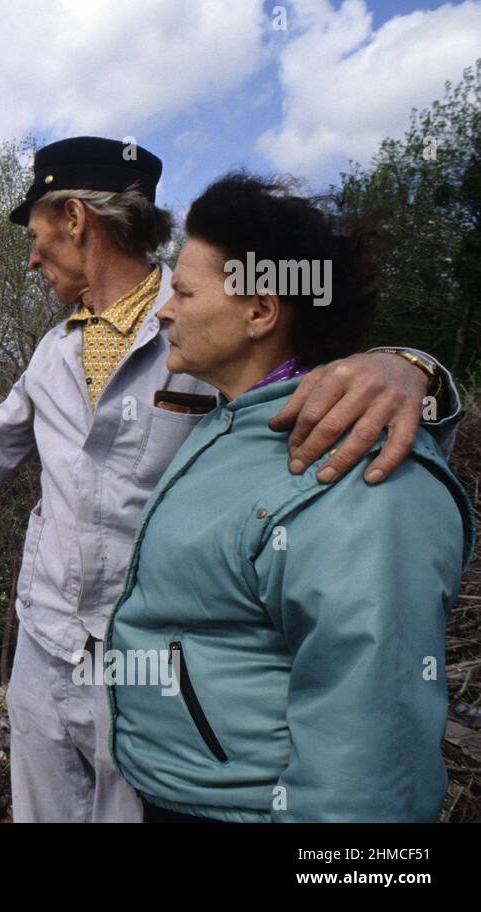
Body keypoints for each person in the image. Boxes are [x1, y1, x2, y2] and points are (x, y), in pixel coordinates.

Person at [0, 137, 462, 823]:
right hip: (46, 644)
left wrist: (410, 366)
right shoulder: (55, 351)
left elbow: (332, 393)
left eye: (35, 230)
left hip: (154, 665)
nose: (30, 254)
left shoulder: (210, 310)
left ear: (74, 218)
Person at [105, 172, 474, 822]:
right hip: (183, 794)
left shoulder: (352, 474)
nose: (163, 310)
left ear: (260, 311)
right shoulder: (235, 420)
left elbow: (367, 771)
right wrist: (410, 363)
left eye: (184, 292)